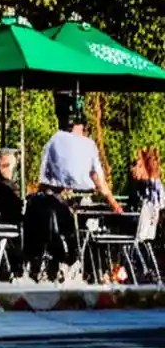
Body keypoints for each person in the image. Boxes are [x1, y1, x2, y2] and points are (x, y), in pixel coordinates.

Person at [24, 98, 121, 281]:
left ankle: (59, 264)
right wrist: (113, 203)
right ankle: (94, 270)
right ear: (80, 125)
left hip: (59, 201)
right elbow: (98, 179)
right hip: (85, 202)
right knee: (94, 231)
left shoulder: (53, 141)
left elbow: (44, 179)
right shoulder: (89, 144)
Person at [128, 147, 164, 212]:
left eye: (139, 166)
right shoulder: (136, 186)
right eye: (134, 165)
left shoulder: (155, 187)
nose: (133, 169)